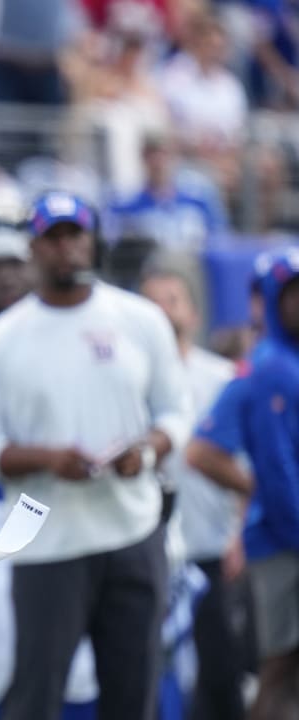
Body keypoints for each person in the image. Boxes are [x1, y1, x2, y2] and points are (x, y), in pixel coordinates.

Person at [0, 191, 193, 720]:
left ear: (92, 242)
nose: (65, 250)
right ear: (33, 248)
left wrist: (145, 451)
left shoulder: (140, 319)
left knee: (134, 698)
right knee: (35, 698)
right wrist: (47, 458)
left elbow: (176, 413)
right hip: (46, 546)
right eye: (52, 239)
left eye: (74, 236)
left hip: (132, 533)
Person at [186, 247, 299, 720]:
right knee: (279, 666)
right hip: (280, 543)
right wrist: (258, 491)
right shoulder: (265, 366)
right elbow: (202, 451)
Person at [138, 267, 244, 720]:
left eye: (173, 299)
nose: (163, 311)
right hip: (150, 545)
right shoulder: (128, 378)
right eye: (152, 302)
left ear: (194, 313)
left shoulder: (223, 378)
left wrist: (240, 531)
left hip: (213, 543)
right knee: (153, 674)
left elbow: (246, 464)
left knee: (221, 672)